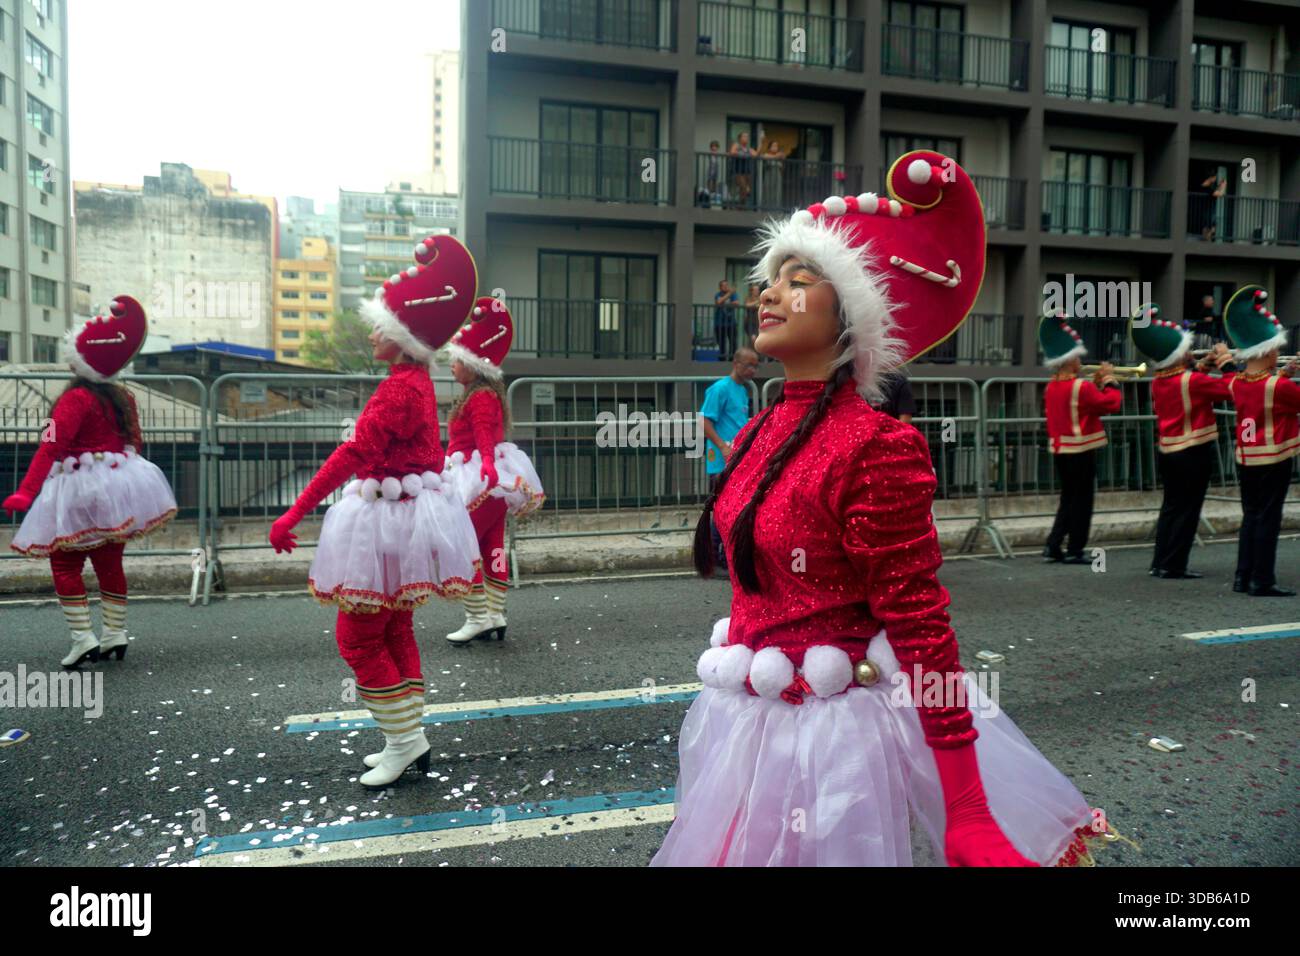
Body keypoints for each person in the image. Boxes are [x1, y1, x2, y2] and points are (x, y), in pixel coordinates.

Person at [653, 153, 1125, 867]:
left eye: (797, 281)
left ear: (849, 320)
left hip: (832, 736)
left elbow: (921, 623)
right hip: (744, 717)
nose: (768, 295)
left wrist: (965, 805)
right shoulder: (756, 431)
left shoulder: (878, 445)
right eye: (768, 281)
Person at [268, 235, 482, 789]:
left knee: (358, 639)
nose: (371, 335)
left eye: (380, 326)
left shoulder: (396, 392)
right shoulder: (418, 384)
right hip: (405, 520)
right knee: (395, 631)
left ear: (403, 338)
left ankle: (405, 741)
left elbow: (351, 455)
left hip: (385, 524)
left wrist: (293, 514)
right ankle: (406, 738)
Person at [3, 295, 177, 668]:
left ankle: (83, 638)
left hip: (75, 490)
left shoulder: (72, 401)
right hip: (116, 488)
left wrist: (26, 491)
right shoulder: (124, 398)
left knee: (65, 564)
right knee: (109, 561)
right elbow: (135, 441)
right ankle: (115, 632)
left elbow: (49, 446)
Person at [439, 297, 545, 645]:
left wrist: (485, 463)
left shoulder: (479, 397)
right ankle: (495, 614)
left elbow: (485, 436)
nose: (452, 365)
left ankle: (477, 617)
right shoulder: (482, 393)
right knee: (491, 546)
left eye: (456, 360)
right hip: (492, 482)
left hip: (480, 481)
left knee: (463, 545)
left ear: (472, 365)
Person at [1130, 303, 1236, 579]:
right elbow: (1232, 389)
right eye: (1186, 350)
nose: (1190, 352)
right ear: (1178, 355)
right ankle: (1175, 564)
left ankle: (1160, 561)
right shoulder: (1191, 381)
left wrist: (1201, 365)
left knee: (1171, 508)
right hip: (1193, 451)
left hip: (1169, 450)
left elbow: (1188, 380)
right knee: (1188, 510)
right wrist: (1227, 364)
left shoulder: (1160, 380)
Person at [1222, 285, 1300, 597]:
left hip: (1246, 458)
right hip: (1274, 458)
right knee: (1269, 519)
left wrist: (1284, 373)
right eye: (1276, 349)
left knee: (1251, 517)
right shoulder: (1277, 387)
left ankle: (1244, 576)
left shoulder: (1237, 383)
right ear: (1267, 350)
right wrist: (1285, 376)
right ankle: (1262, 580)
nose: (1278, 353)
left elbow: (1262, 388)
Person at [1039, 314, 1123, 564]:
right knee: (1082, 500)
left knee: (1068, 498)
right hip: (1081, 448)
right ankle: (1075, 548)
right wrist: (1109, 380)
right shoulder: (1081, 387)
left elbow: (1086, 406)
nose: (1080, 361)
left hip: (1060, 449)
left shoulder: (1052, 386)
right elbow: (1110, 404)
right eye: (1077, 357)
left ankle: (1054, 544)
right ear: (1069, 360)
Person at [700, 349, 757, 571]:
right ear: (735, 363)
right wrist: (723, 446)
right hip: (723, 459)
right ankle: (715, 557)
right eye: (748, 365)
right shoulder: (720, 389)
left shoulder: (742, 391)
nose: (752, 370)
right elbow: (704, 421)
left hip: (737, 458)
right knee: (722, 507)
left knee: (729, 507)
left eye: (755, 366)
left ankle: (721, 557)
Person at [1195, 171, 1227, 241]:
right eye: (1215, 178)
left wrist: (1219, 186)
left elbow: (1214, 192)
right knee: (1209, 230)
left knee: (1210, 228)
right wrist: (1224, 186)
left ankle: (1206, 241)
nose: (1215, 179)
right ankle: (1206, 243)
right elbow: (1220, 194)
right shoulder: (1207, 188)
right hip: (1208, 212)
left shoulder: (1205, 186)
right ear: (1211, 178)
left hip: (1206, 211)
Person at [728, 132, 757, 209]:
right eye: (744, 136)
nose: (746, 138)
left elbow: (755, 154)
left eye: (747, 137)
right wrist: (742, 153)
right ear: (740, 138)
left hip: (747, 171)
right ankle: (740, 206)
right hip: (738, 171)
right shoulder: (737, 145)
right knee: (743, 187)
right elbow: (732, 152)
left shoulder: (748, 148)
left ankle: (741, 206)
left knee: (747, 189)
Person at [713, 279, 739, 361]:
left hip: (731, 323)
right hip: (720, 323)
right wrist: (730, 293)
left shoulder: (733, 295)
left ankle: (732, 359)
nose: (726, 287)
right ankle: (722, 360)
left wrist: (725, 302)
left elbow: (736, 303)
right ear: (720, 287)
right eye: (724, 286)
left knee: (733, 342)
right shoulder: (718, 294)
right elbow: (719, 301)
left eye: (727, 285)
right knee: (721, 343)